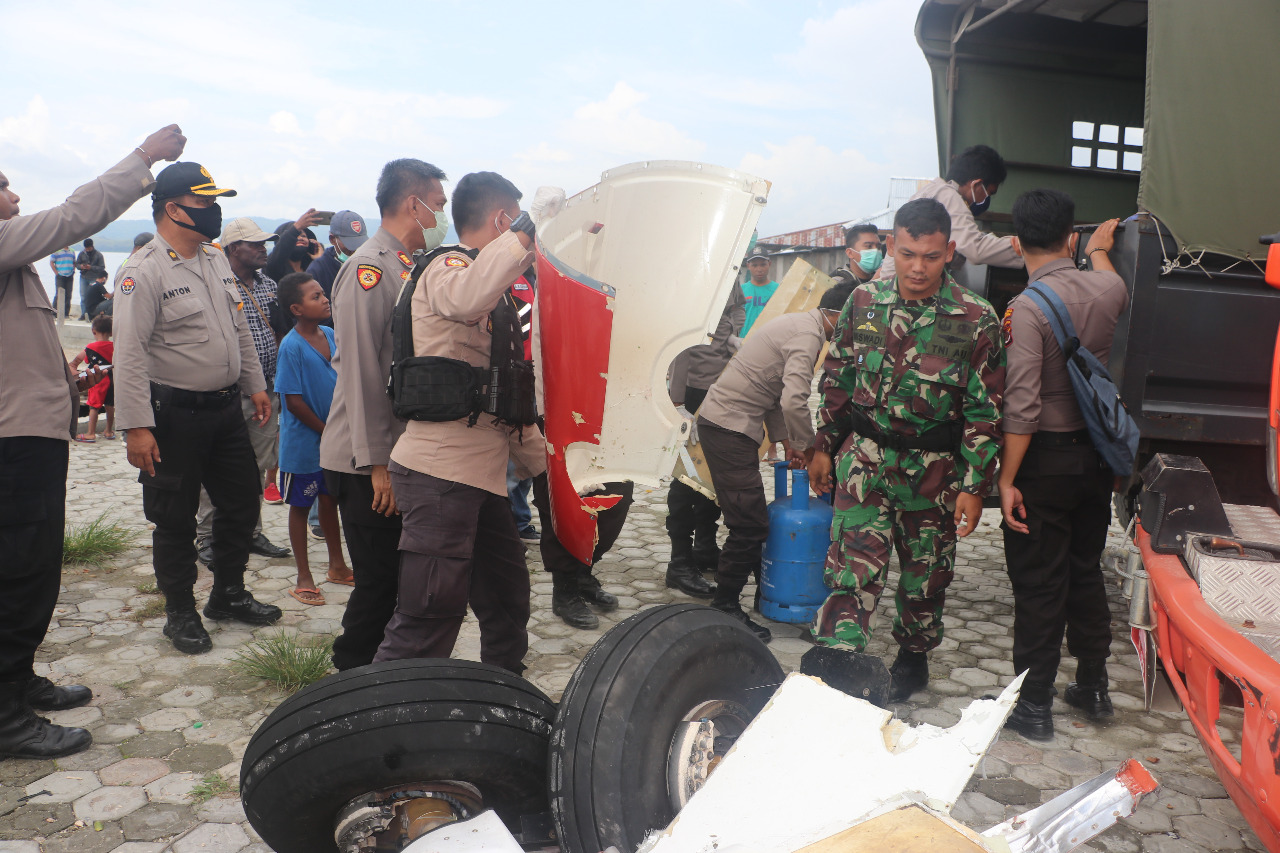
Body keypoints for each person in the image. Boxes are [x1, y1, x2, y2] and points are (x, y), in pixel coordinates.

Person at [0, 122, 185, 759]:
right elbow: (75, 214)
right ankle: (3, 717)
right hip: (11, 442)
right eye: (4, 187)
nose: (16, 197)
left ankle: (15, 682)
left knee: (32, 565)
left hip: (31, 437)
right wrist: (144, 159)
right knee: (16, 569)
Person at [808, 198, 1005, 703]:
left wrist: (975, 487)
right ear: (892, 246)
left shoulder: (975, 318)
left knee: (924, 578)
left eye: (932, 256)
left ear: (951, 253)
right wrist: (825, 445)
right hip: (865, 463)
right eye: (909, 253)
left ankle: (913, 657)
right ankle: (838, 665)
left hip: (933, 473)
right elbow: (839, 378)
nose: (918, 268)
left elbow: (985, 411)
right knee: (850, 570)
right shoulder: (864, 301)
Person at [372, 170, 543, 675]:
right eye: (515, 228)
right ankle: (386, 717)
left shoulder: (499, 294)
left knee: (507, 599)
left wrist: (547, 468)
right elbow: (467, 297)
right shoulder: (448, 269)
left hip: (482, 477)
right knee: (429, 614)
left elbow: (504, 399)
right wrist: (527, 234)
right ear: (502, 220)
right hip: (439, 475)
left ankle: (501, 694)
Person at [115, 160, 282, 655]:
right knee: (175, 518)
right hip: (173, 415)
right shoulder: (143, 271)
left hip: (226, 410)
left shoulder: (214, 260)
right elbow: (127, 355)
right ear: (173, 209)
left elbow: (240, 331)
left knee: (240, 503)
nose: (213, 212)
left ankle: (228, 593)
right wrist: (136, 428)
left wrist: (253, 384)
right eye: (204, 203)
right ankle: (180, 611)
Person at [999, 190, 1127, 740]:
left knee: (1038, 582)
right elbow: (1106, 272)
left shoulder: (1027, 307)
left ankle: (1033, 707)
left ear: (1014, 242)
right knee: (1084, 569)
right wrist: (1099, 249)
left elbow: (1023, 405)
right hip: (1095, 461)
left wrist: (1006, 479)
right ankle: (1093, 687)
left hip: (1043, 465)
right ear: (1071, 237)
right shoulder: (1110, 287)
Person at [320, 158, 448, 671]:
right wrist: (378, 463)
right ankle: (348, 677)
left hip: (392, 452)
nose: (441, 214)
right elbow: (360, 372)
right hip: (364, 458)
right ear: (412, 204)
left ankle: (383, 674)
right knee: (378, 582)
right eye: (437, 205)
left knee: (397, 581)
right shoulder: (368, 270)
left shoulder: (405, 265)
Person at [696, 287, 848, 642]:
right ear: (838, 315)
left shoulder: (801, 325)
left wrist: (785, 441)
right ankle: (725, 605)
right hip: (727, 426)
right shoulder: (808, 335)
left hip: (732, 423)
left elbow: (775, 391)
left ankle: (759, 592)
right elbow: (794, 400)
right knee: (749, 523)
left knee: (749, 518)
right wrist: (809, 449)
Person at [193, 217, 291, 565]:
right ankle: (206, 536)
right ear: (234, 248)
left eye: (264, 243)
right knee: (216, 467)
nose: (263, 249)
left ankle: (250, 530)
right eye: (256, 244)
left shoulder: (269, 285)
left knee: (256, 465)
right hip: (230, 392)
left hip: (268, 388)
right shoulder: (216, 284)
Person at [274, 272, 352, 605]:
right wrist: (327, 430)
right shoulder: (291, 346)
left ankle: (337, 565)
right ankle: (304, 576)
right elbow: (293, 401)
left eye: (324, 294)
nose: (325, 301)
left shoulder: (332, 335)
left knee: (330, 500)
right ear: (296, 308)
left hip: (332, 443)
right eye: (316, 297)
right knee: (301, 506)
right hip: (303, 447)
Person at [664, 285, 747, 598]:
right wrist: (677, 402)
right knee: (686, 477)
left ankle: (705, 547)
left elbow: (732, 311)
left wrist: (729, 337)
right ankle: (679, 562)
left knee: (711, 474)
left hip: (722, 386)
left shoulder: (733, 268)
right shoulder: (707, 264)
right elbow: (682, 342)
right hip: (692, 391)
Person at [878, 144, 1023, 282]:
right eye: (989, 192)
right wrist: (1023, 246)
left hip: (899, 282)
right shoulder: (948, 196)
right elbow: (975, 248)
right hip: (903, 286)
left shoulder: (935, 190)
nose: (986, 198)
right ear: (977, 184)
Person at [71, 314, 116, 442]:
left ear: (93, 331)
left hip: (97, 380)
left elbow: (77, 361)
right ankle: (108, 431)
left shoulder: (91, 347)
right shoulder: (114, 347)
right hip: (111, 379)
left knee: (93, 406)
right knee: (110, 405)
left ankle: (90, 433)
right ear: (111, 332)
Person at [307, 209, 368, 302]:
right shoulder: (318, 270)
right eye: (350, 244)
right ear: (332, 239)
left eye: (359, 243)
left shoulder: (369, 262)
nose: (355, 250)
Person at [267, 212, 324, 283]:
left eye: (304, 236)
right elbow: (282, 248)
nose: (300, 238)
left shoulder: (312, 266)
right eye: (296, 236)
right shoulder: (274, 267)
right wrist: (296, 227)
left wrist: (319, 261)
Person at [830, 223, 884, 291]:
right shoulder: (837, 284)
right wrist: (873, 283)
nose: (876, 251)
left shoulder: (884, 280)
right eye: (869, 246)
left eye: (878, 247)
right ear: (850, 253)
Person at [740, 246, 778, 336]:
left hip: (769, 343)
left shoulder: (779, 290)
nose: (759, 269)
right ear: (748, 266)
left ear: (769, 264)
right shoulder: (741, 291)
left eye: (763, 264)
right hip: (743, 343)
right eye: (755, 265)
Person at [75, 237, 106, 320]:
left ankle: (92, 314)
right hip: (83, 277)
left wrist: (91, 267)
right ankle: (84, 314)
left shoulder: (99, 255)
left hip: (94, 278)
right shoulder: (81, 254)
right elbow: (77, 264)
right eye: (86, 248)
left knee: (94, 297)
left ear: (92, 246)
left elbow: (102, 267)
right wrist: (81, 266)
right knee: (83, 296)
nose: (87, 250)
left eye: (89, 248)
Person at [49, 245, 75, 320]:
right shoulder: (57, 250)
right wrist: (56, 273)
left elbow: (74, 262)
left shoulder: (72, 251)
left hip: (70, 275)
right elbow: (51, 262)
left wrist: (73, 271)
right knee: (58, 294)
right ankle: (54, 313)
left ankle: (66, 314)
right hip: (60, 275)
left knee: (68, 295)